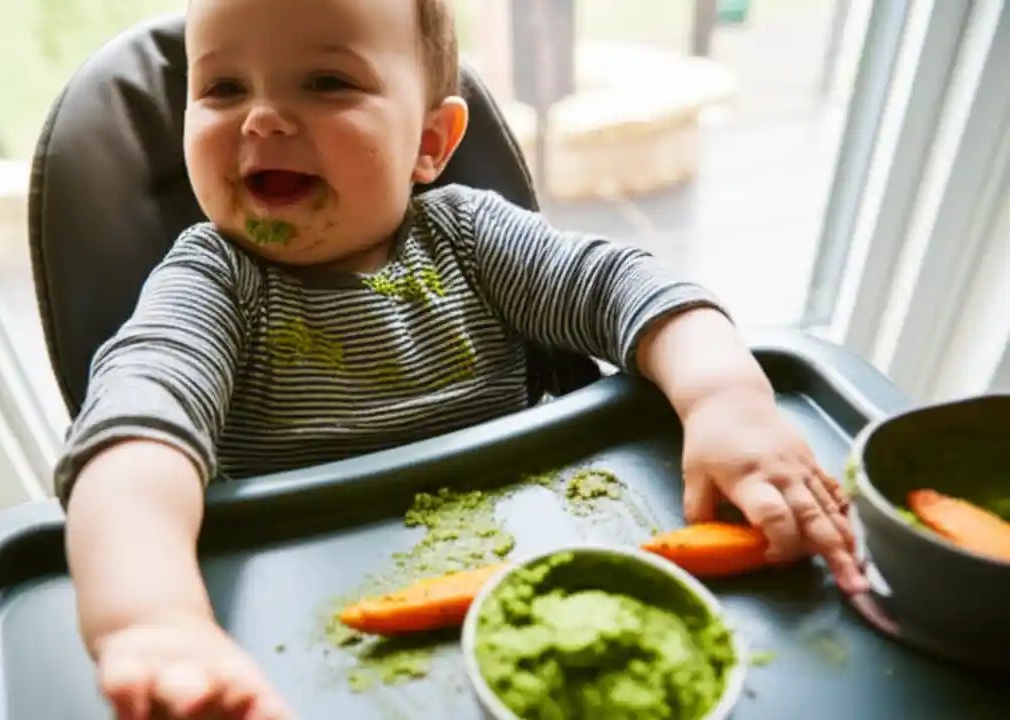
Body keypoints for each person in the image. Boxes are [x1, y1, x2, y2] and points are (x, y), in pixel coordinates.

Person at [55, 1, 866, 718]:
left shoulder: (470, 241)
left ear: (430, 142)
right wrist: (152, 618)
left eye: (328, 83)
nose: (262, 119)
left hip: (539, 574)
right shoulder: (212, 285)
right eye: (223, 89)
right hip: (310, 650)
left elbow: (627, 287)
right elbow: (136, 432)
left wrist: (727, 401)